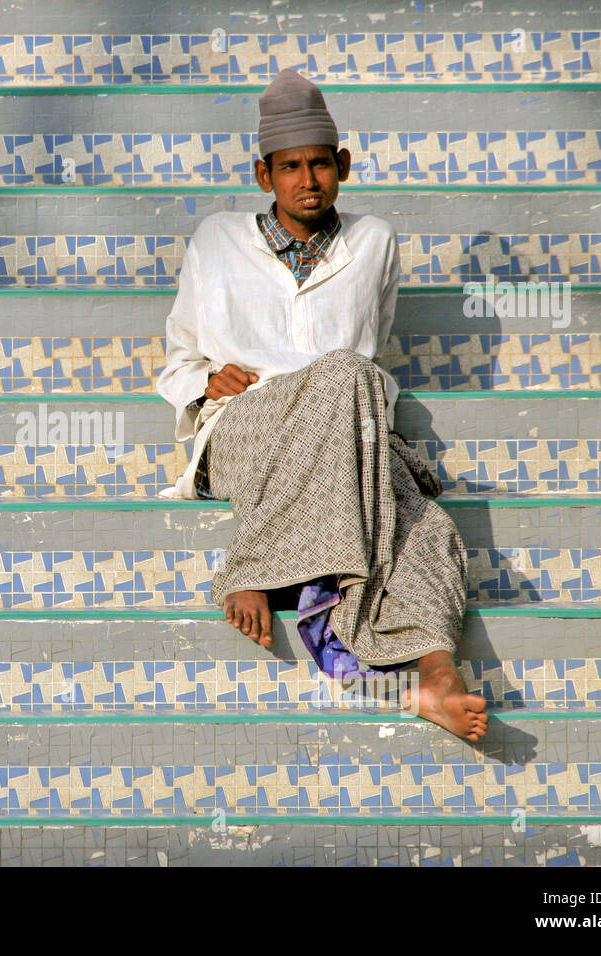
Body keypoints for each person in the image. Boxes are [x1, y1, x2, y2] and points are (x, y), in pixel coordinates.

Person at [156, 69, 487, 741]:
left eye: (318, 165)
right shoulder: (216, 239)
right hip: (249, 427)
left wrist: (349, 399)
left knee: (426, 525)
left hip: (347, 425)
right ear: (263, 175)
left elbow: (373, 345)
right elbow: (178, 354)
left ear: (342, 166)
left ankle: (436, 671)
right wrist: (203, 381)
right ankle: (254, 564)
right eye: (289, 168)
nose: (306, 180)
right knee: (345, 376)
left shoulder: (374, 242)